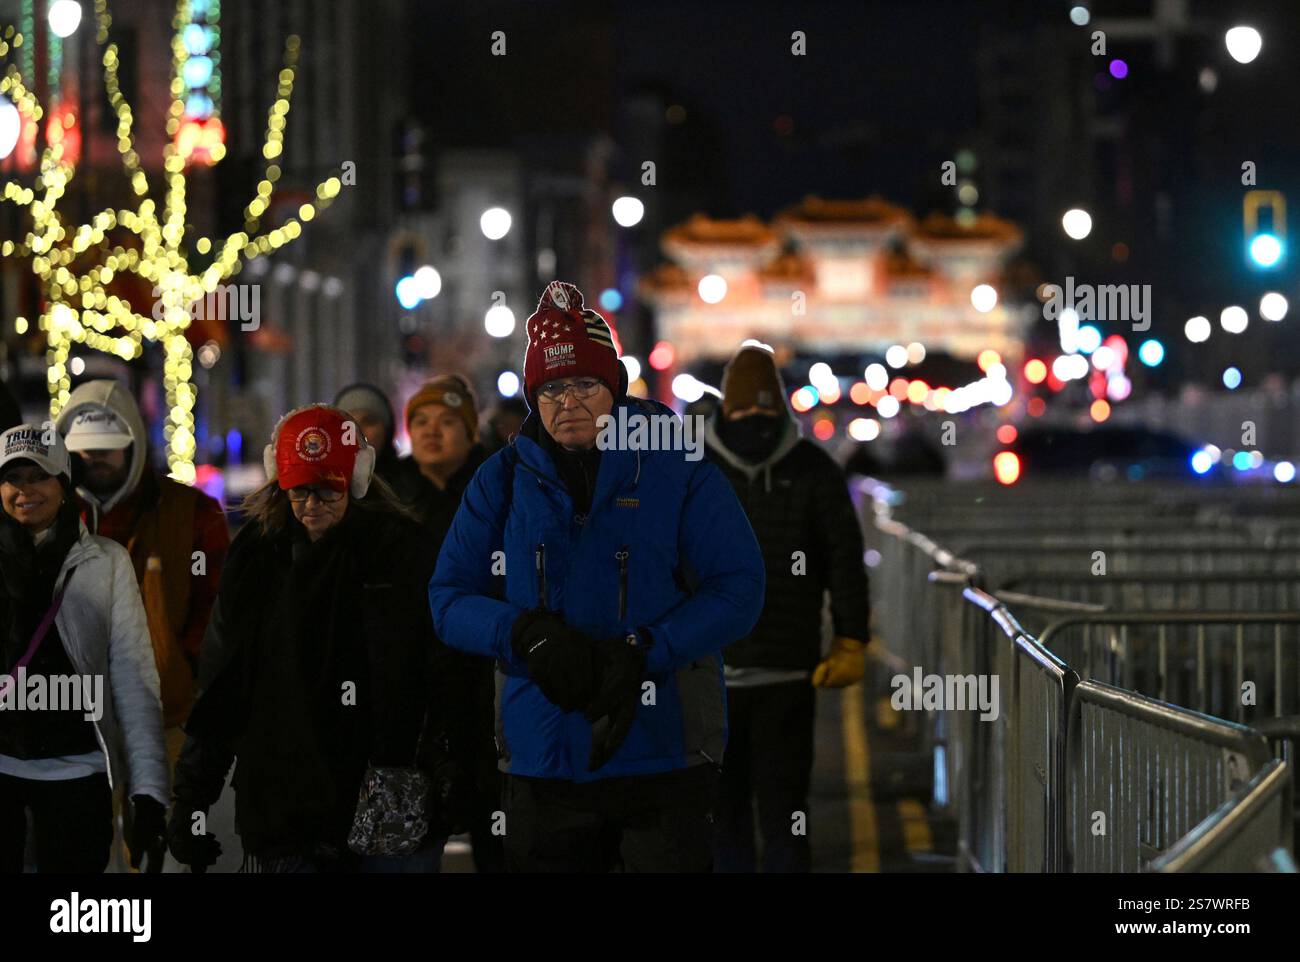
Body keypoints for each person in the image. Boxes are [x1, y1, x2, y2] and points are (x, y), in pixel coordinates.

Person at [430, 281, 765, 873]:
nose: (569, 403)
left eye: (585, 384)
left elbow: (738, 585)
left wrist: (648, 650)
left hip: (666, 748)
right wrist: (523, 634)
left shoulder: (676, 465)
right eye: (552, 389)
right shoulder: (500, 479)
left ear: (613, 386)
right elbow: (450, 597)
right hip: (544, 754)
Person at [166, 405, 470, 873]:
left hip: (389, 794)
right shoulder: (256, 556)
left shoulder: (402, 552)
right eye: (299, 492)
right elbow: (224, 680)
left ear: (357, 480)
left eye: (328, 492)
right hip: (285, 803)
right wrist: (192, 797)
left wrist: (450, 766)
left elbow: (443, 667)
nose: (312, 506)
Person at [703, 344, 871, 873]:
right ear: (781, 403)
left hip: (710, 673)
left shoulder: (694, 467)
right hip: (790, 671)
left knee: (722, 817)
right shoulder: (814, 467)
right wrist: (850, 639)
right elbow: (844, 559)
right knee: (786, 813)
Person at [0, 425, 168, 873]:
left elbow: (133, 678)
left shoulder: (105, 562)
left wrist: (148, 791)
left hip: (79, 781)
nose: (24, 491)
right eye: (12, 478)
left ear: (64, 483)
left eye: (39, 476)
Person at [56, 380, 230, 736]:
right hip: (69, 725)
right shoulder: (52, 513)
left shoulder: (192, 512)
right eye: (85, 448)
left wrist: (184, 667)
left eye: (108, 447)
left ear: (133, 443)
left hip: (165, 717)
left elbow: (216, 605)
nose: (96, 457)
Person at [393, 375, 503, 872]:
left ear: (471, 431)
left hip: (487, 674)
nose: (431, 432)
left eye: (447, 422)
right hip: (413, 683)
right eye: (420, 421)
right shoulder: (388, 495)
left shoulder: (498, 486)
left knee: (497, 823)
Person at [333, 382, 405, 489]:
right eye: (348, 424)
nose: (357, 431)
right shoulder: (321, 485)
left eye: (368, 421)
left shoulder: (411, 485)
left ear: (386, 430)